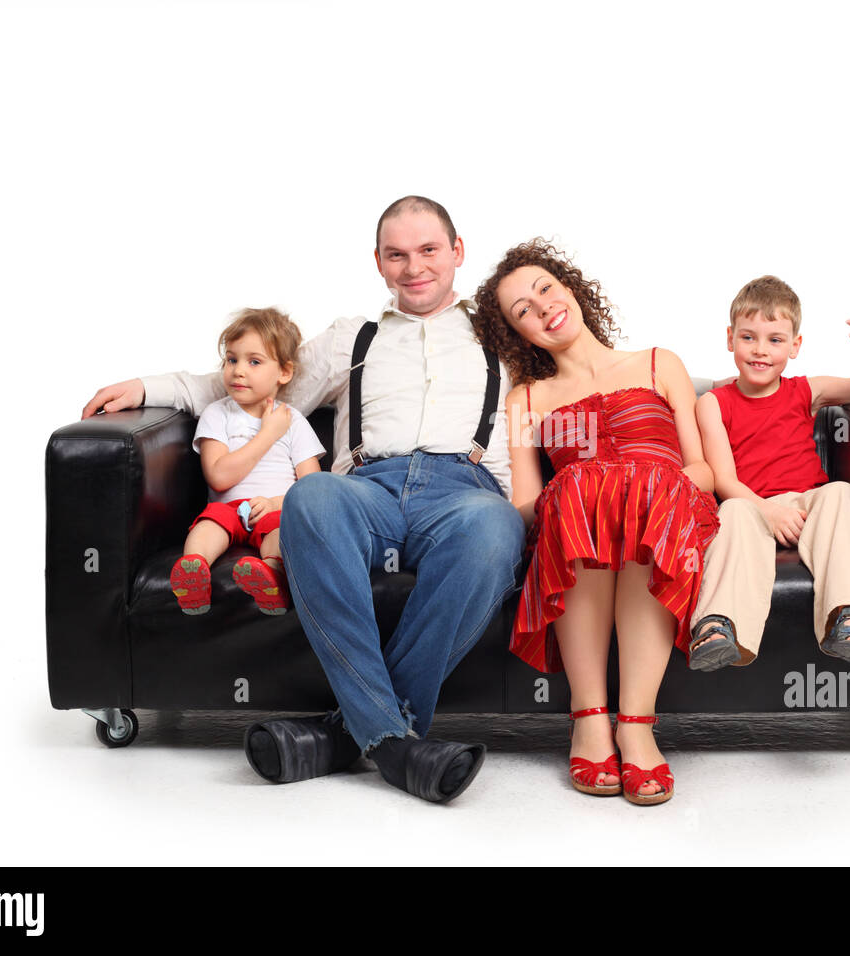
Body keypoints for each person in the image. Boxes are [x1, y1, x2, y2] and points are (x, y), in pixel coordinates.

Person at [81, 196, 525, 804]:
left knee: (496, 528)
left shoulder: (500, 336)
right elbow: (249, 378)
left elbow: (580, 378)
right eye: (397, 254)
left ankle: (357, 736)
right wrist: (148, 386)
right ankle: (393, 742)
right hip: (364, 487)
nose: (414, 267)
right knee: (312, 495)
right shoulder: (353, 338)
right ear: (378, 261)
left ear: (457, 253)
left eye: (428, 251)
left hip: (463, 492)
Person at [472, 239, 718, 806]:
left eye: (545, 290)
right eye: (522, 312)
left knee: (639, 490)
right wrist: (590, 488)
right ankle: (588, 717)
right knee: (583, 489)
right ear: (520, 335)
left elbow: (700, 468)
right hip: (575, 521)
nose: (542, 309)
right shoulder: (528, 399)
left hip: (669, 511)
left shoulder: (659, 363)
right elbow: (529, 502)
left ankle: (635, 724)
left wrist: (645, 484)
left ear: (571, 289)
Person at [688, 275, 850, 672]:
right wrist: (767, 510)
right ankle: (718, 627)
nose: (760, 351)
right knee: (732, 511)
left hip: (807, 506)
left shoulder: (808, 390)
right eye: (748, 337)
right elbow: (724, 480)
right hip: (750, 505)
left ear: (795, 346)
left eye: (775, 340)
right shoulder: (713, 404)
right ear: (729, 338)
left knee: (841, 492)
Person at [170, 307, 325, 616]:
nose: (238, 370)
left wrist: (276, 503)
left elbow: (314, 488)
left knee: (281, 534)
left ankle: (270, 576)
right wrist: (267, 435)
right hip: (227, 509)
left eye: (254, 361)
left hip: (274, 509)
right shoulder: (218, 414)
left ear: (284, 372)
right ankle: (193, 571)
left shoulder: (292, 420)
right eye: (231, 359)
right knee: (209, 524)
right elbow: (218, 477)